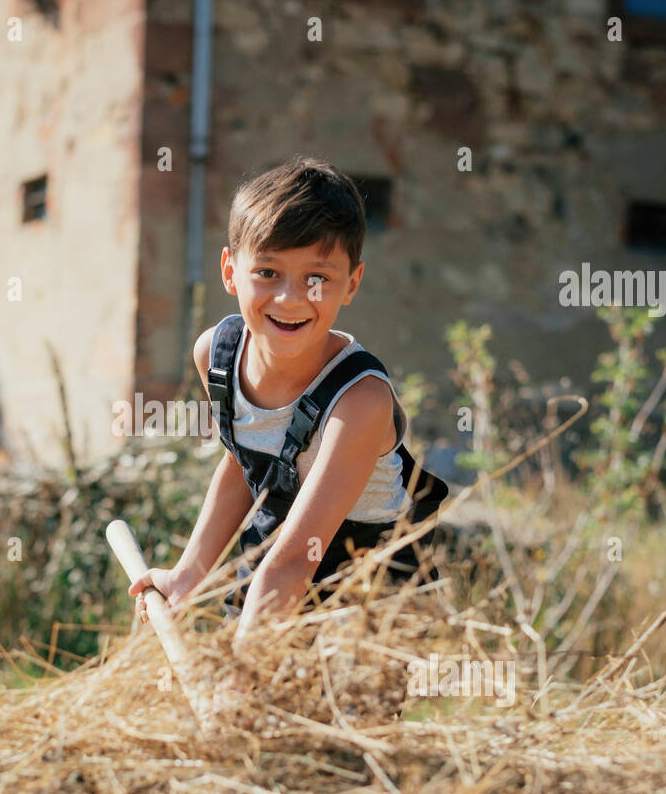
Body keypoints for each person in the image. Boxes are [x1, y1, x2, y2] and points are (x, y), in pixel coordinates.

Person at [129, 156, 446, 659]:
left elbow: (299, 557)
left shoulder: (361, 400)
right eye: (268, 271)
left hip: (366, 582)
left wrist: (245, 666)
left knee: (328, 726)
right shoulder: (216, 355)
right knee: (255, 729)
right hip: (276, 545)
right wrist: (188, 575)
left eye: (316, 277)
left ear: (352, 283)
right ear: (231, 272)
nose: (290, 298)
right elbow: (243, 464)